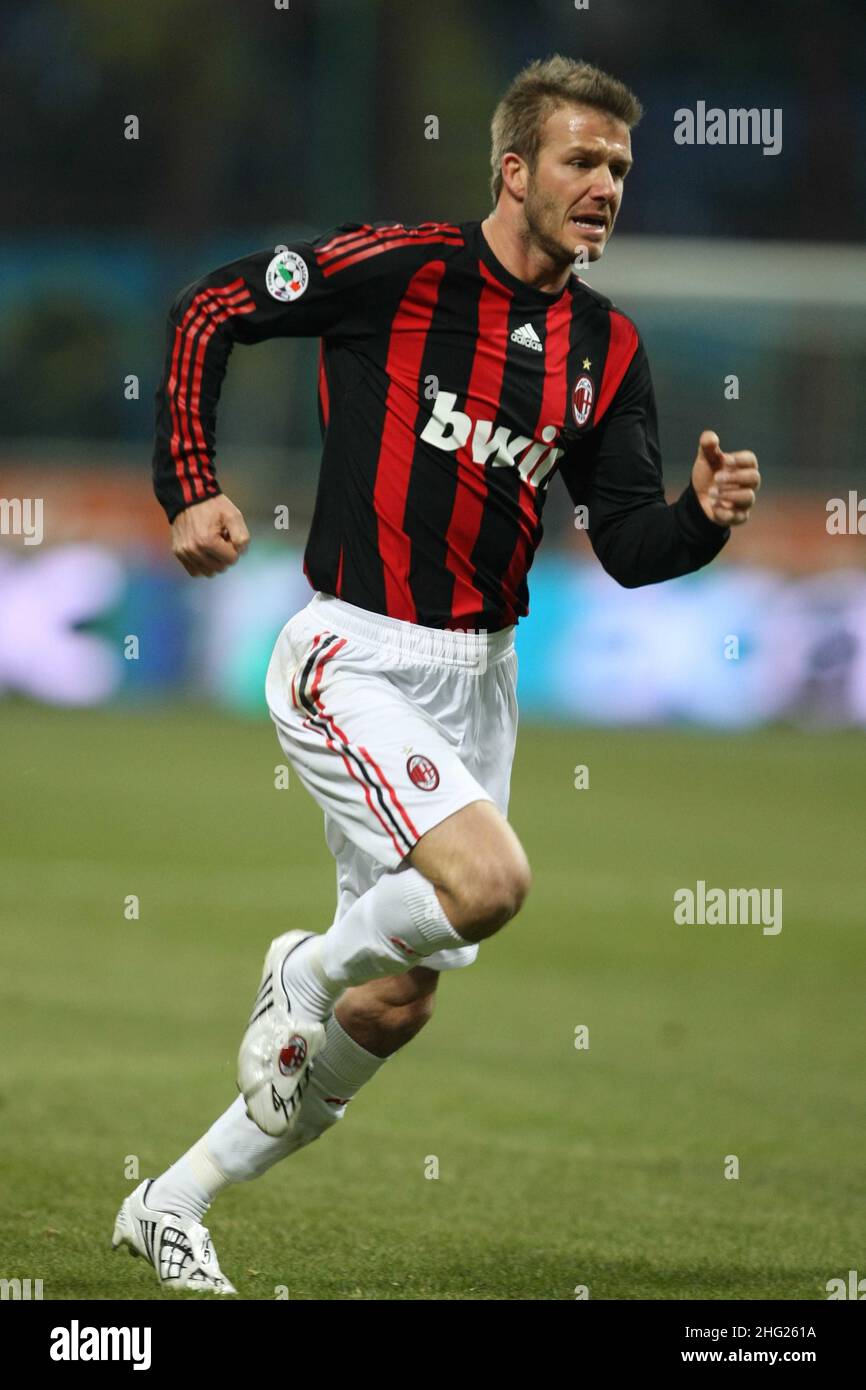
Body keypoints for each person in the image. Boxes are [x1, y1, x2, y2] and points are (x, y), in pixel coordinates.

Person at [113, 55, 760, 1293]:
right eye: (581, 160)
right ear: (513, 170)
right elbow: (210, 309)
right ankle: (297, 969)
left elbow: (625, 545)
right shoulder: (400, 270)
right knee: (490, 882)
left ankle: (171, 1199)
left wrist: (698, 516)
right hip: (350, 650)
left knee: (400, 997)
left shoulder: (605, 349)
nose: (604, 186)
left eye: (619, 167)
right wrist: (189, 482)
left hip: (483, 676)